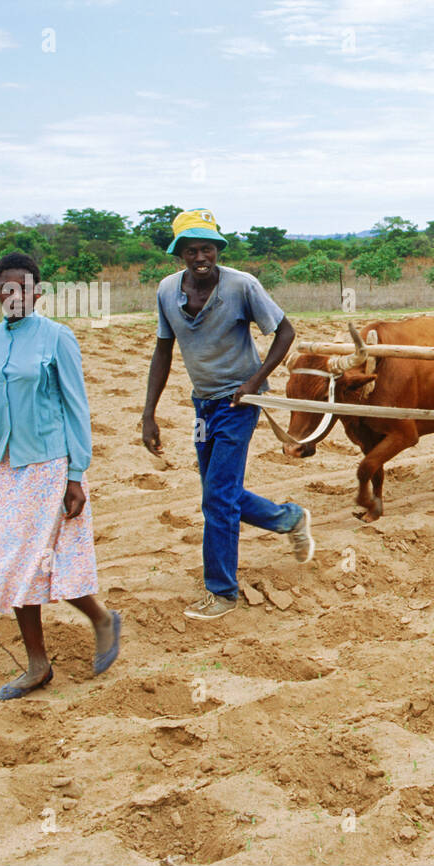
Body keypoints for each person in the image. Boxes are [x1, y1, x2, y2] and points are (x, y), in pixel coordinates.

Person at [0, 252, 120, 700]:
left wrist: (76, 474)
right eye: (6, 287)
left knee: (33, 559)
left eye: (23, 288)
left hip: (48, 465)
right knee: (10, 564)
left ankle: (99, 618)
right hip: (4, 464)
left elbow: (76, 408)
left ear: (37, 294)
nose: (14, 295)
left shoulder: (57, 338)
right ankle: (39, 663)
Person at [141, 208, 314, 621]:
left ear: (217, 249)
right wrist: (148, 413)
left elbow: (285, 332)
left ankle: (221, 591)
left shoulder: (242, 286)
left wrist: (255, 381)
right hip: (204, 404)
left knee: (217, 498)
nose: (201, 257)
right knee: (218, 493)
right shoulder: (168, 291)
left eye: (207, 249)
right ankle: (289, 519)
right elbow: (163, 350)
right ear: (180, 254)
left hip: (240, 402)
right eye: (191, 251)